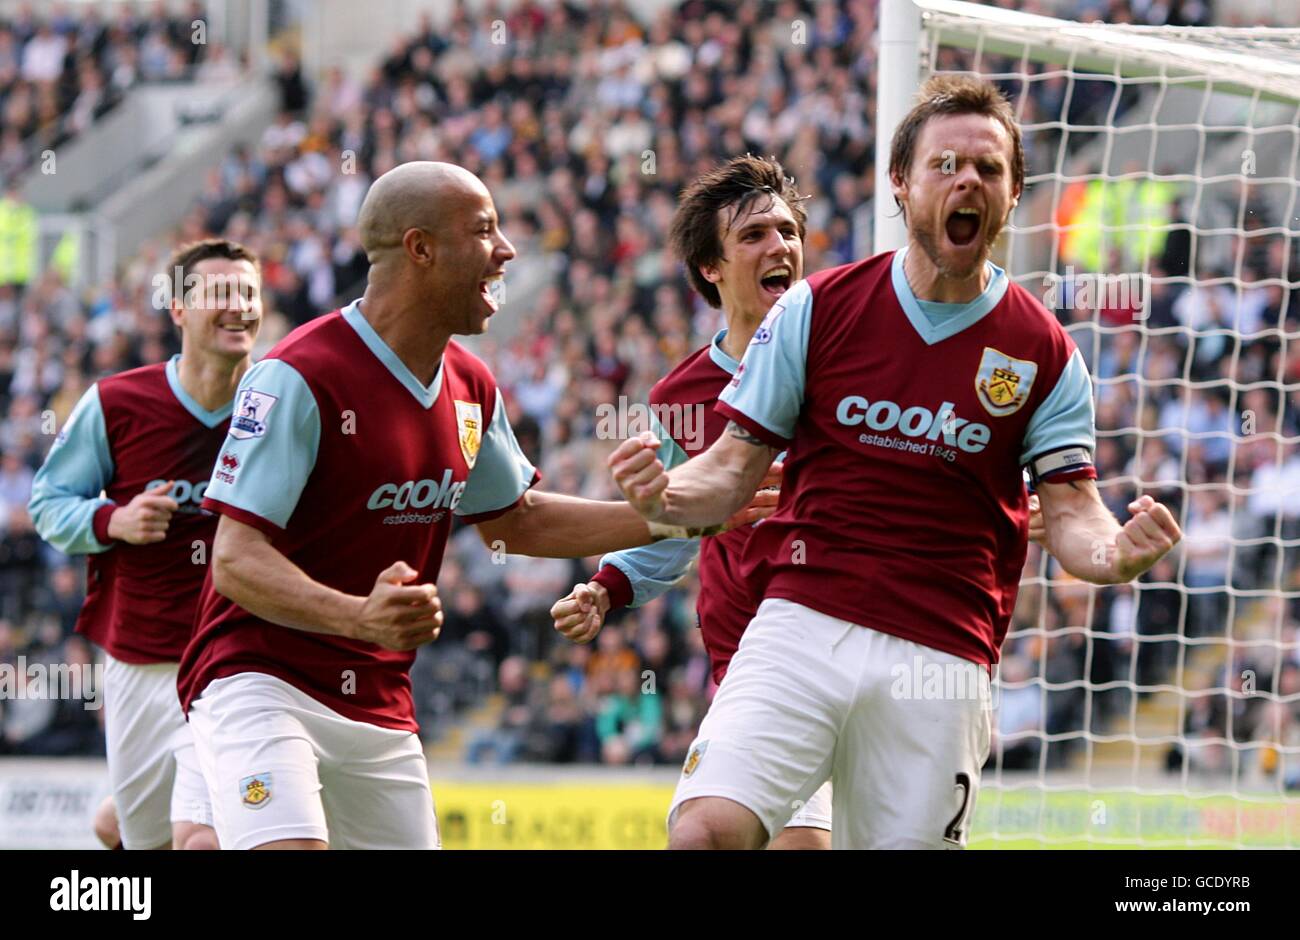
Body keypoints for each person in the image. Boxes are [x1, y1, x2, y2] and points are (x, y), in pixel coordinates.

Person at [606, 75, 1182, 850]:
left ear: (1013, 196)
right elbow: (730, 471)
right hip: (802, 622)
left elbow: (1074, 512)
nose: (968, 180)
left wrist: (1113, 552)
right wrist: (663, 495)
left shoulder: (1045, 352)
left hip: (943, 653)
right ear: (901, 185)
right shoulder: (818, 309)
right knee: (703, 834)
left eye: (989, 168)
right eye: (946, 164)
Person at [177, 161, 774, 850]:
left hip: (377, 701)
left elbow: (519, 519)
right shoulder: (300, 376)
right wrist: (358, 616)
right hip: (259, 678)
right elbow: (234, 560)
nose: (507, 250)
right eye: (485, 229)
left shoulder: (469, 385)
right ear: (420, 248)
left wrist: (688, 513)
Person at [550, 155, 833, 848]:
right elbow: (673, 525)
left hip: (861, 638)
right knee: (700, 839)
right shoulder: (681, 399)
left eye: (788, 231)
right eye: (754, 236)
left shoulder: (848, 358)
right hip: (756, 662)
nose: (780, 247)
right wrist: (607, 587)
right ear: (710, 267)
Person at [28, 237, 263, 849]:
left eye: (248, 292)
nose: (238, 306)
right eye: (219, 292)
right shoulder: (117, 403)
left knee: (205, 841)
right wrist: (115, 521)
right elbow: (47, 505)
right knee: (141, 837)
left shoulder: (281, 403)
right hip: (141, 662)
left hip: (240, 659)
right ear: (178, 310)